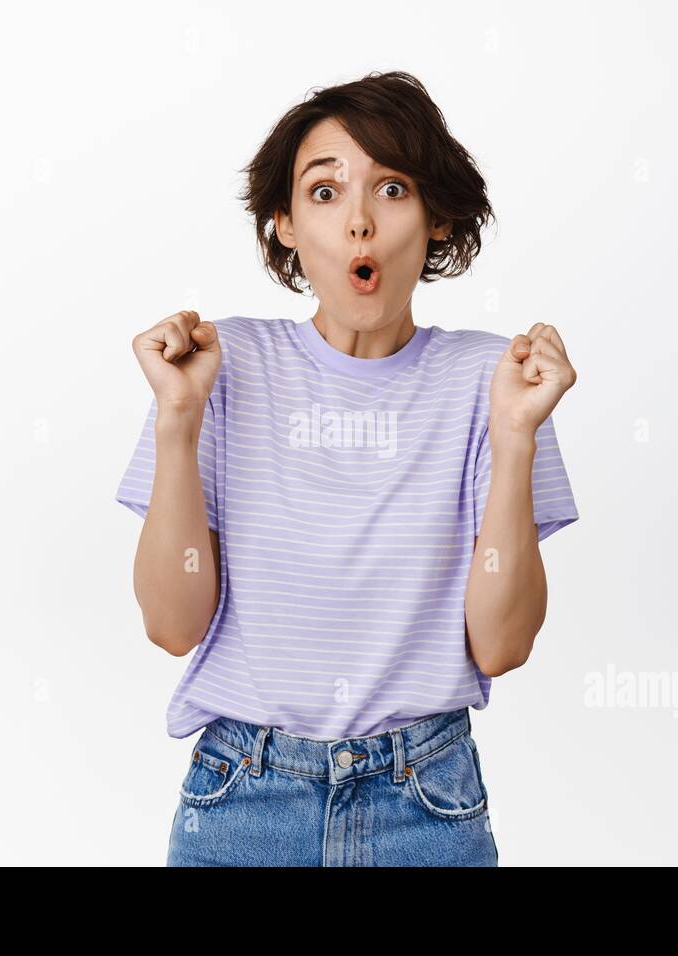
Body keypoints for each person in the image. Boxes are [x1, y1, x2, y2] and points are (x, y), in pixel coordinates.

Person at [114, 71, 579, 866]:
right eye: (325, 193)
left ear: (436, 218)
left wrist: (514, 440)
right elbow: (172, 626)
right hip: (243, 801)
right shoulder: (220, 367)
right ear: (286, 225)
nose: (359, 221)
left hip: (426, 803)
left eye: (392, 188)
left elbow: (500, 646)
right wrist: (177, 427)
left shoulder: (490, 381)